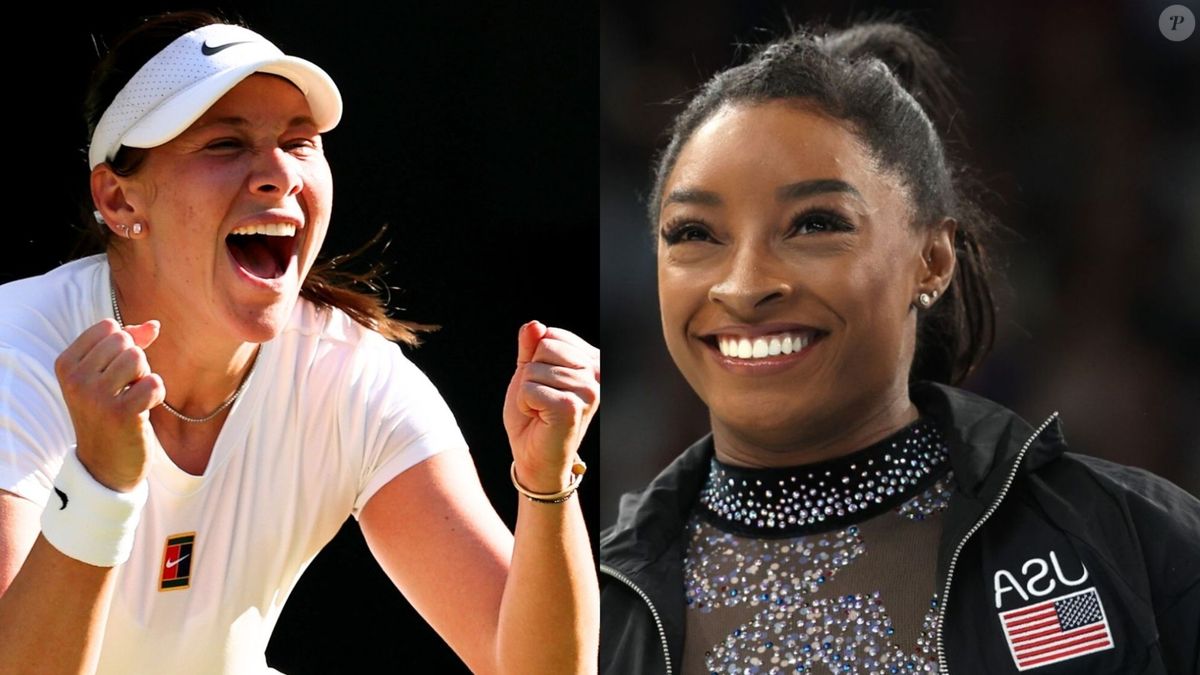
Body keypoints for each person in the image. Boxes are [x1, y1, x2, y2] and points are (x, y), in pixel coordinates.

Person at [0, 11, 599, 675]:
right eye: (226, 144)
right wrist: (99, 486)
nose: (278, 173)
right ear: (117, 200)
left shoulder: (350, 373)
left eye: (300, 141)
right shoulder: (14, 356)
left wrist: (547, 485)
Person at [599, 20, 1199, 675]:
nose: (743, 286)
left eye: (815, 224)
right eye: (693, 232)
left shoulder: (1130, 546)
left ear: (932, 259)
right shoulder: (587, 608)